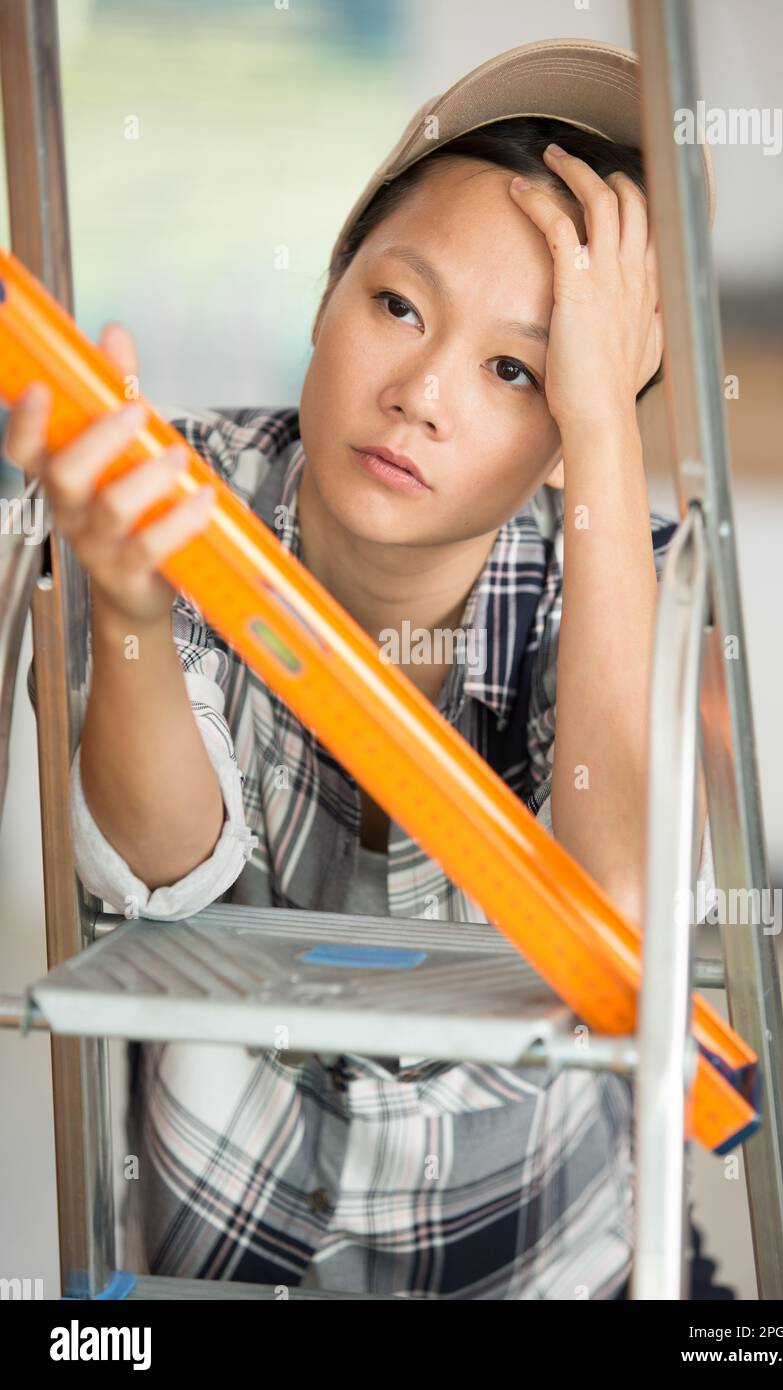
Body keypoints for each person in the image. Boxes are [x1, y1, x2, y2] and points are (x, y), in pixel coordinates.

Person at [10, 36, 734, 1299]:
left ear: (574, 426)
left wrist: (605, 442)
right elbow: (160, 871)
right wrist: (123, 603)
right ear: (326, 294)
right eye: (396, 305)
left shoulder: (625, 569)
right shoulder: (176, 495)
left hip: (550, 1263)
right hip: (216, 1264)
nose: (422, 394)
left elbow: (620, 920)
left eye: (518, 370)